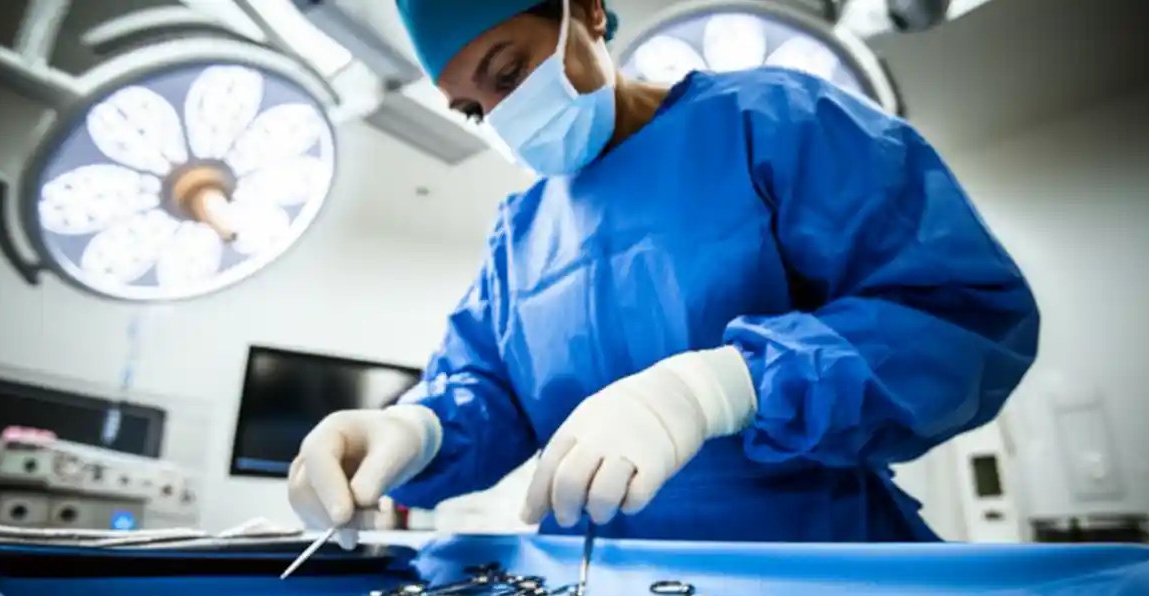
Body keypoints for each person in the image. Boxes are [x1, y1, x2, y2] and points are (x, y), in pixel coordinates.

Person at [287, 0, 1039, 544]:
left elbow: (954, 317)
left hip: (821, 579)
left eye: (510, 72)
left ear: (587, 11)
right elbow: (487, 394)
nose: (506, 116)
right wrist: (408, 429)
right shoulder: (519, 237)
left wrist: (716, 389)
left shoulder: (774, 120)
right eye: (476, 110)